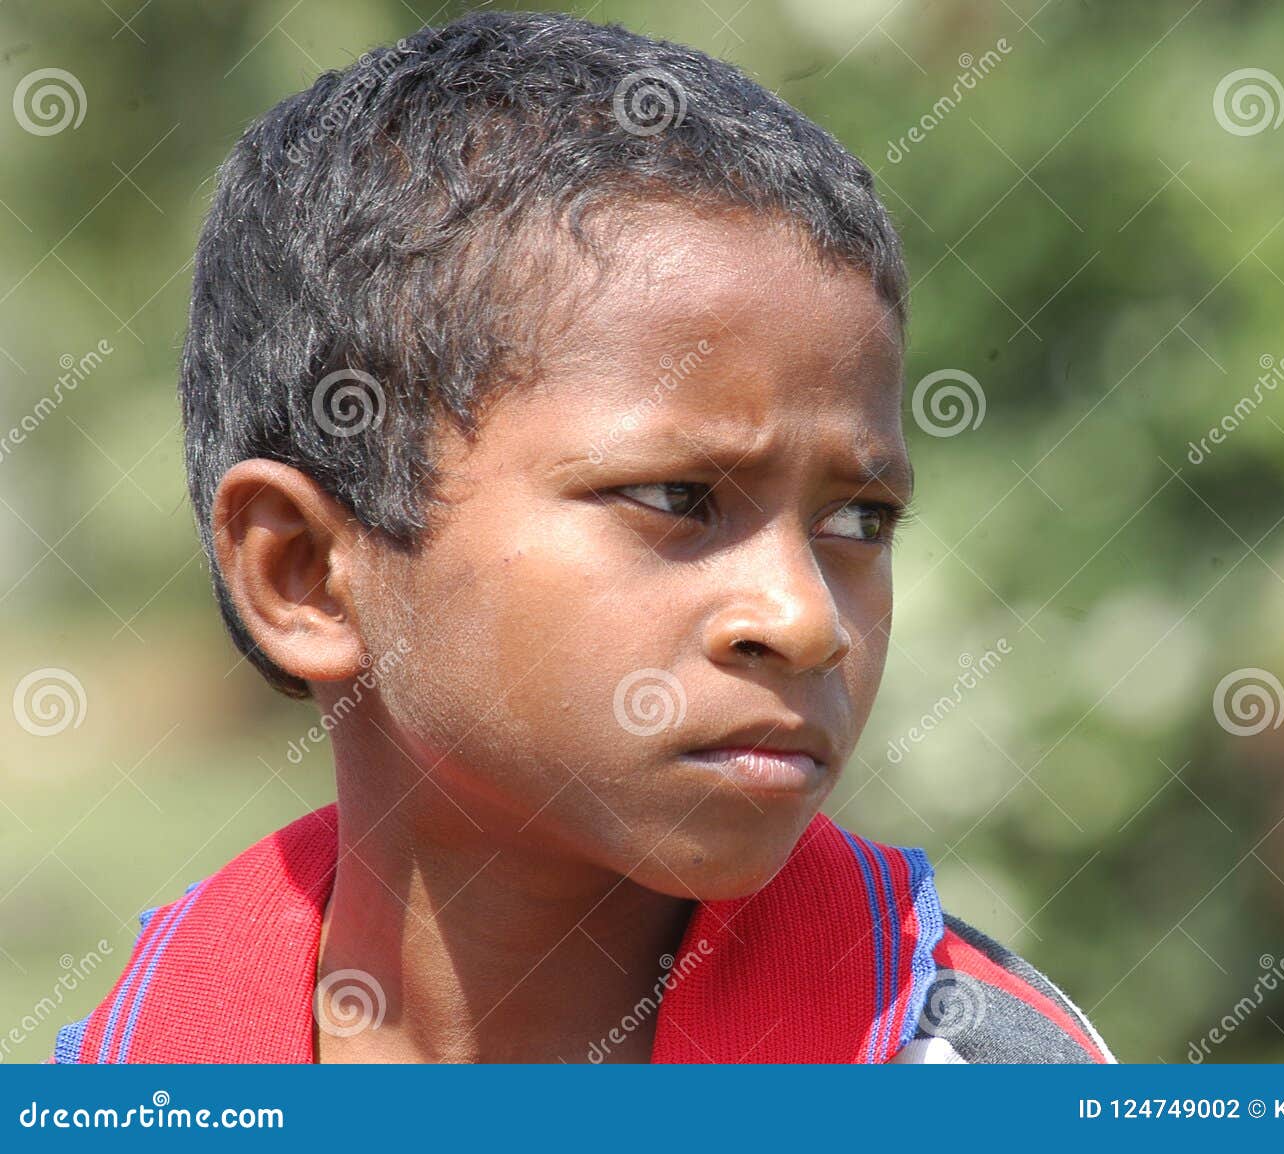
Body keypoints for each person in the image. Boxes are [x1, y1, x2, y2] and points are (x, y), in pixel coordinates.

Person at [53, 9, 1112, 1065]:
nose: (803, 619)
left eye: (856, 520)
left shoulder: (984, 1074)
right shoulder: (133, 1078)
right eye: (673, 494)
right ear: (307, 576)